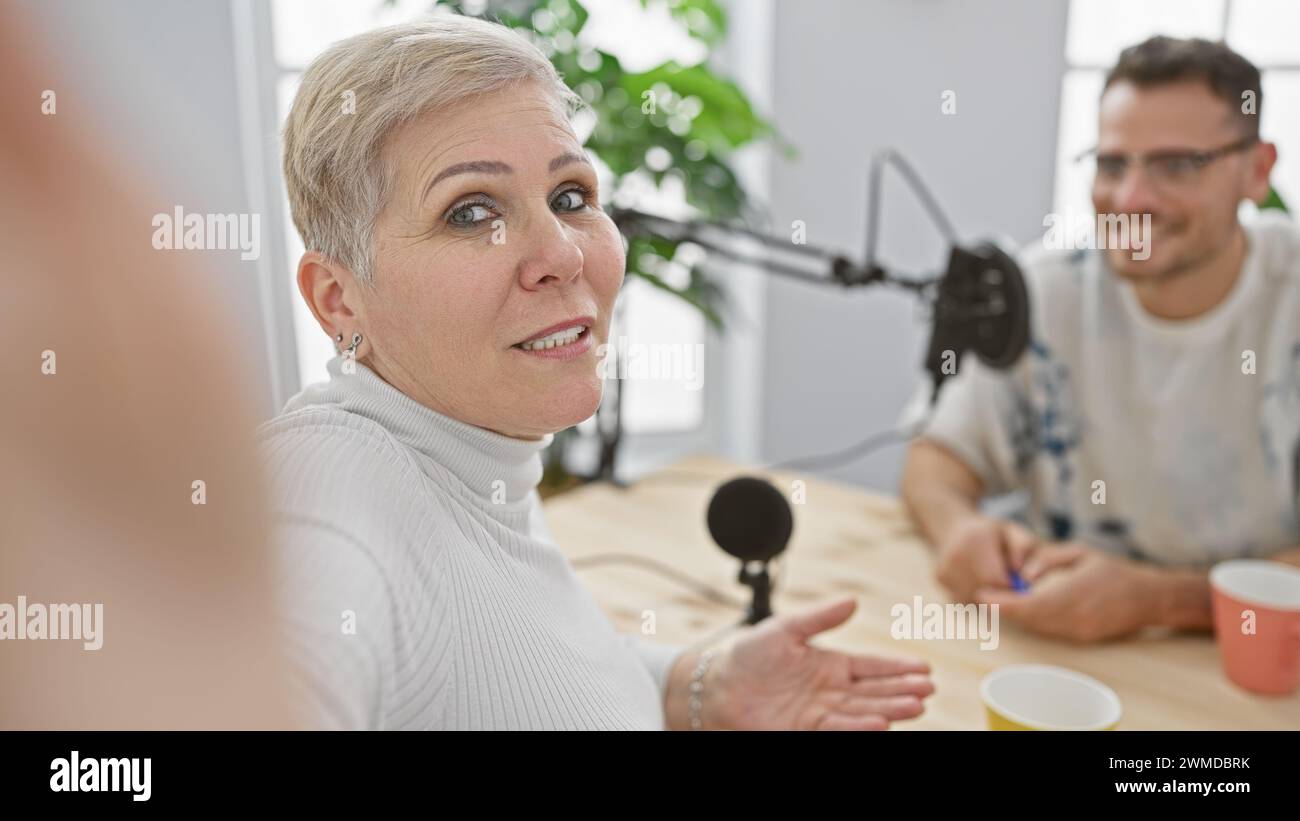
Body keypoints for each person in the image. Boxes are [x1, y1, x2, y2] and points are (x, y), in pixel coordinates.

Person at [263, 14, 934, 730]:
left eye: (569, 196)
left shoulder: (476, 451)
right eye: (471, 212)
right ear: (339, 299)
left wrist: (697, 686)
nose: (563, 253)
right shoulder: (320, 495)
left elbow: (511, 672)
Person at [902, 36, 1300, 642]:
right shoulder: (1045, 291)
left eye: (1177, 165)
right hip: (1050, 657)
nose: (1130, 200)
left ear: (1258, 169)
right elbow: (939, 457)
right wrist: (957, 528)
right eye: (1113, 165)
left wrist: (1158, 602)